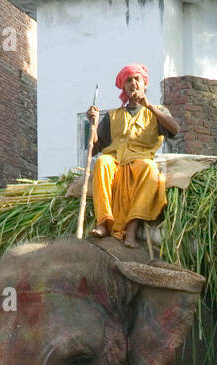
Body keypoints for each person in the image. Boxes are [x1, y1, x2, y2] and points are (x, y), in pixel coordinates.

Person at [86, 64, 179, 248]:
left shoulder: (156, 111)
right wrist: (93, 124)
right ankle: (103, 222)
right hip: (116, 160)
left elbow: (174, 129)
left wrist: (149, 105)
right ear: (123, 87)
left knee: (149, 169)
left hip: (140, 159)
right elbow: (94, 148)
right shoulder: (113, 116)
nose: (133, 83)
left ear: (144, 83)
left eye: (137, 79)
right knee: (102, 161)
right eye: (128, 80)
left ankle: (131, 229)